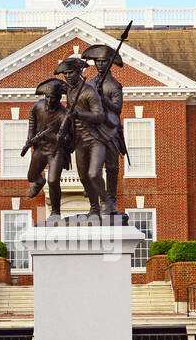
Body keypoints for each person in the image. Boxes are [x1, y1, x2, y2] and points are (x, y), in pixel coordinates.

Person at [53, 56, 115, 220]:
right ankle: (94, 208)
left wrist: (78, 114)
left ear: (79, 72)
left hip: (95, 139)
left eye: (71, 73)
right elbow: (67, 115)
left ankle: (106, 202)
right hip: (79, 141)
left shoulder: (88, 91)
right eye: (65, 73)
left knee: (94, 173)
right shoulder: (70, 92)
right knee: (83, 177)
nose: (68, 76)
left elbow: (99, 115)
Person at [81, 42, 127, 216]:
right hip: (93, 129)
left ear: (109, 63)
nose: (100, 64)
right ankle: (96, 198)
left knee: (112, 167)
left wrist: (102, 98)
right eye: (97, 61)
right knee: (92, 165)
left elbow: (117, 108)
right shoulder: (91, 82)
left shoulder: (114, 85)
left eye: (103, 61)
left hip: (110, 129)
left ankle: (111, 200)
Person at [21, 78, 71, 220]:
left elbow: (67, 139)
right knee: (31, 176)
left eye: (53, 98)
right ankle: (39, 182)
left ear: (59, 98)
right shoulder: (38, 106)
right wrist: (30, 137)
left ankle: (55, 212)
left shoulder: (63, 114)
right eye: (47, 97)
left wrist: (52, 136)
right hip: (41, 149)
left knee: (53, 180)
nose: (49, 100)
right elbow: (32, 118)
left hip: (56, 151)